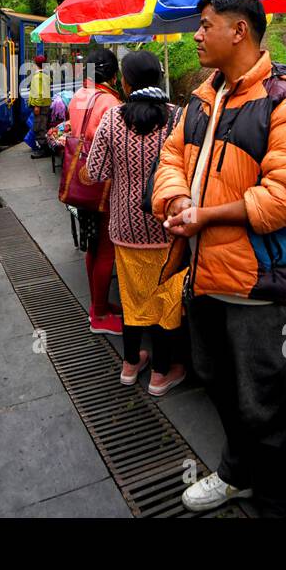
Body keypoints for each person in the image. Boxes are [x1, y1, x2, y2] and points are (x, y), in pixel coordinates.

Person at [153, 0, 286, 513]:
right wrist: (177, 197)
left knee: (263, 404)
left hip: (259, 285)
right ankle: (236, 473)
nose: (197, 35)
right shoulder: (202, 98)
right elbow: (170, 157)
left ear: (240, 31)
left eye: (206, 25)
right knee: (216, 382)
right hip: (204, 275)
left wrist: (204, 216)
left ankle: (276, 501)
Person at [84, 50, 187, 394]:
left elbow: (95, 171)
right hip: (168, 227)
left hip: (125, 227)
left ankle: (130, 364)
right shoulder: (178, 118)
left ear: (125, 82)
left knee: (133, 299)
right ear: (158, 78)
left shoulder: (113, 118)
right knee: (166, 302)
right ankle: (160, 373)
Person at [69, 47, 125, 335]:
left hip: (80, 183)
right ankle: (100, 316)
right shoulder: (109, 102)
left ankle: (97, 305)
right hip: (103, 185)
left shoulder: (79, 96)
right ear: (112, 75)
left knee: (92, 246)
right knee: (106, 250)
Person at [28, 54, 52, 158]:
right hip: (45, 105)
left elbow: (39, 92)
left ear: (35, 64)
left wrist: (37, 105)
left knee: (39, 127)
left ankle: (44, 150)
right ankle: (44, 148)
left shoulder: (38, 77)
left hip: (40, 106)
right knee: (42, 125)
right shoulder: (46, 76)